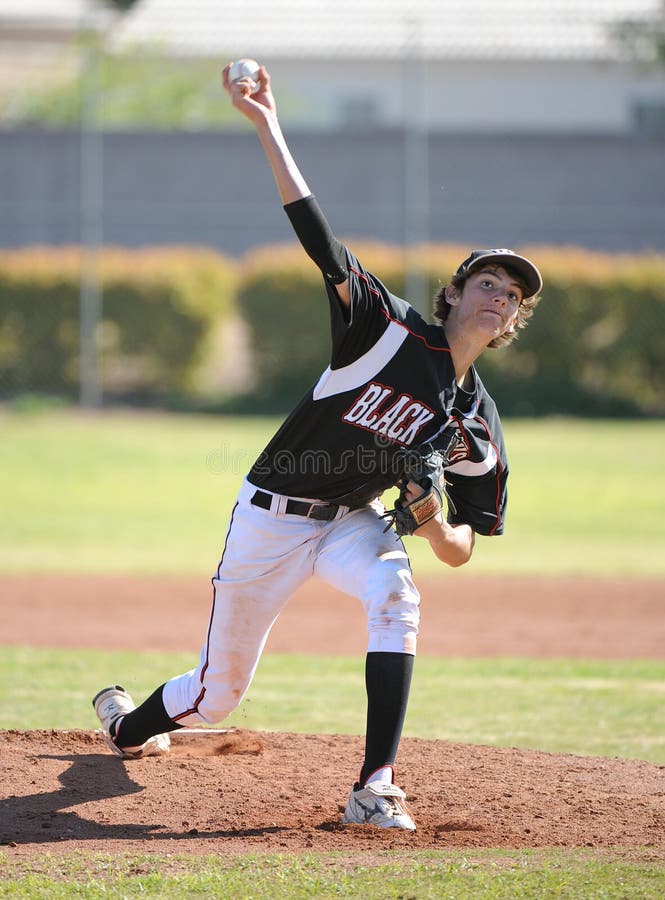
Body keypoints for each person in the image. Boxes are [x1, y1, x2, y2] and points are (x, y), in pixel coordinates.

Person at [92, 62, 543, 832]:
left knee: (398, 597)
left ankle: (375, 787)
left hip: (350, 521)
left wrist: (434, 524)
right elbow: (318, 236)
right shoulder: (385, 330)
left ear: (509, 325)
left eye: (512, 296)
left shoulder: (476, 422)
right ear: (453, 294)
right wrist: (266, 122)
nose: (497, 297)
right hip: (270, 519)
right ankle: (126, 725)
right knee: (215, 695)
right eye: (486, 283)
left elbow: (464, 546)